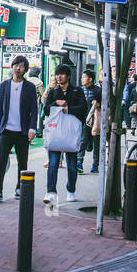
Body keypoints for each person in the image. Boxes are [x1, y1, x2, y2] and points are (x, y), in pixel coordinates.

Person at [0, 55, 38, 201]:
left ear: (25, 69)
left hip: (23, 131)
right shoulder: (4, 85)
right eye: (16, 65)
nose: (18, 68)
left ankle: (20, 188)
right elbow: (0, 108)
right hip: (6, 130)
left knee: (22, 161)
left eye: (22, 66)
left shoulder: (30, 87)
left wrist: (32, 128)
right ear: (12, 66)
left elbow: (34, 110)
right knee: (1, 160)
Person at [44, 64, 89, 203]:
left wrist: (68, 109)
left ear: (68, 76)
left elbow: (83, 109)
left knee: (71, 164)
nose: (59, 76)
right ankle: (51, 192)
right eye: (57, 74)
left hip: (70, 133)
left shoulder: (77, 91)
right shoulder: (53, 92)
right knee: (53, 163)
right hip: (56, 133)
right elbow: (45, 110)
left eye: (62, 74)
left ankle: (71, 189)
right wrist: (55, 104)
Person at [79, 70, 102, 174]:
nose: (82, 79)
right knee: (82, 141)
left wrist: (98, 105)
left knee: (96, 143)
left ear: (90, 79)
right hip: (84, 120)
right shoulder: (80, 90)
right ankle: (79, 163)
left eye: (84, 77)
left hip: (95, 121)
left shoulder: (98, 91)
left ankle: (95, 165)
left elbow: (105, 105)